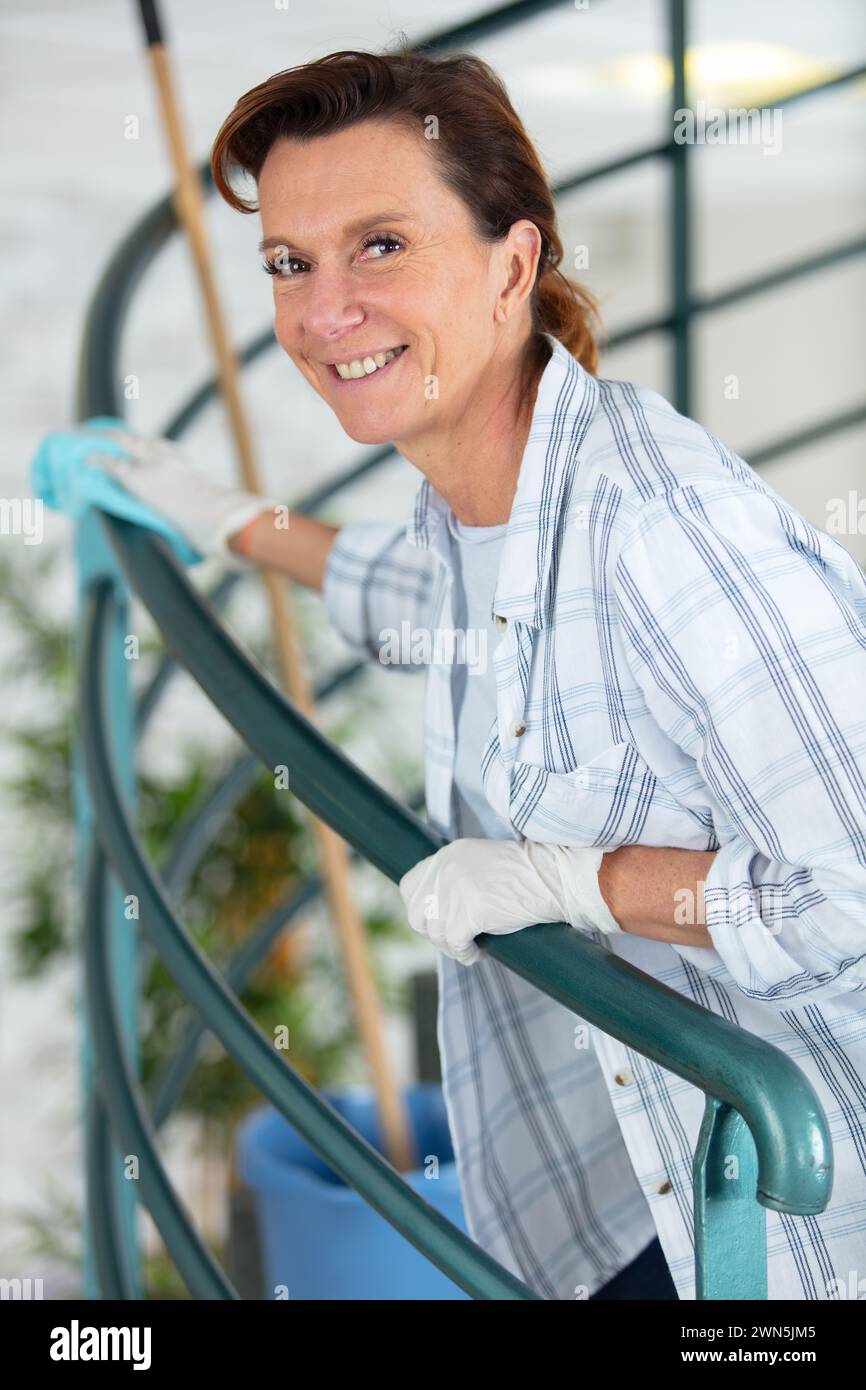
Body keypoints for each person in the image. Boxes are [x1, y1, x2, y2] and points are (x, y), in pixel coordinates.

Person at [31, 46, 866, 1303]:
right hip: (628, 1190)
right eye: (288, 263)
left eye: (380, 246)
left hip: (796, 1235)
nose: (322, 313)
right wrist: (212, 513)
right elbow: (431, 602)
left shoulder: (658, 532)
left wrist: (569, 883)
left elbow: (848, 900)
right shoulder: (486, 500)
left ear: (510, 265)